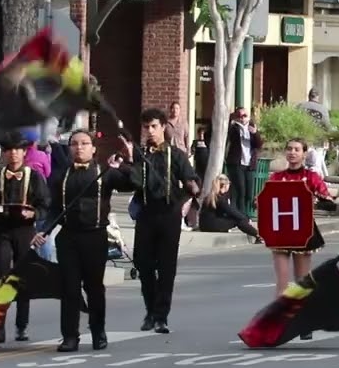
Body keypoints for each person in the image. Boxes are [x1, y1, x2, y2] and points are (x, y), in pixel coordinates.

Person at [32, 130, 138, 353]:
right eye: (74, 144)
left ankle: (98, 331)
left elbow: (134, 183)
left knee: (94, 288)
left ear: (93, 148)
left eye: (84, 143)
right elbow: (53, 209)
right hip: (68, 237)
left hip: (95, 236)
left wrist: (128, 160)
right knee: (69, 288)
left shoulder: (106, 173)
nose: (79, 148)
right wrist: (43, 230)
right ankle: (70, 336)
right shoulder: (61, 175)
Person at [131, 107, 201, 333]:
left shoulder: (176, 155)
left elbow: (190, 179)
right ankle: (150, 311)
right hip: (146, 213)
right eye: (146, 127)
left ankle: (161, 316)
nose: (150, 131)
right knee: (143, 263)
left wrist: (192, 188)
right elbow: (131, 180)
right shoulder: (140, 154)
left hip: (169, 213)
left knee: (166, 266)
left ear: (163, 127)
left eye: (154, 126)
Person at [0, 132, 51, 343]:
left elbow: (45, 204)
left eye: (18, 150)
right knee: (2, 278)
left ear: (24, 152)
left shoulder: (35, 177)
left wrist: (34, 214)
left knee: (23, 277)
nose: (13, 154)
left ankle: (22, 325)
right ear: (4, 153)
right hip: (3, 230)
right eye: (9, 150)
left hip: (25, 231)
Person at [266, 139, 337, 299]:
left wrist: (312, 201)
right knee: (282, 283)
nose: (292, 152)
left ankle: (300, 318)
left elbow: (329, 203)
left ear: (304, 154)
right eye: (289, 149)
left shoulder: (311, 177)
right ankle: (280, 320)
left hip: (303, 231)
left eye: (297, 149)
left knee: (302, 282)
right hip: (280, 231)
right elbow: (264, 201)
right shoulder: (276, 177)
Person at [225, 106, 263, 218]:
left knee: (249, 192)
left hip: (250, 164)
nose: (242, 118)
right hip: (237, 163)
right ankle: (242, 216)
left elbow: (259, 144)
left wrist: (255, 133)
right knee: (240, 189)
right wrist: (232, 120)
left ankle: (246, 213)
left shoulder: (252, 128)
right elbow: (228, 137)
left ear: (248, 117)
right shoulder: (234, 128)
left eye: (244, 116)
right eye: (240, 116)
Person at [196, 174, 261, 239]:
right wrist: (246, 219)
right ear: (225, 185)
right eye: (229, 183)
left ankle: (257, 234)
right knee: (238, 220)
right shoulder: (220, 198)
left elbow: (230, 211)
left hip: (203, 225)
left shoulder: (210, 196)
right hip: (211, 225)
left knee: (237, 218)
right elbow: (231, 211)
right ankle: (258, 235)